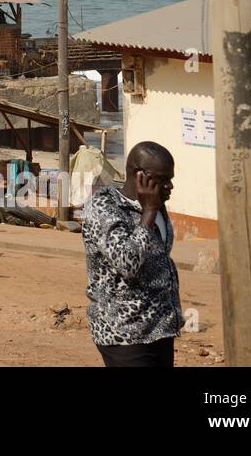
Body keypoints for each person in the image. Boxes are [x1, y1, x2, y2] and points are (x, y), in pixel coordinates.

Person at [81, 141, 183, 367]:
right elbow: (127, 264)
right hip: (124, 334)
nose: (170, 186)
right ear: (140, 176)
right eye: (163, 179)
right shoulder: (104, 207)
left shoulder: (156, 205)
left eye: (170, 178)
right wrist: (149, 213)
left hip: (159, 329)